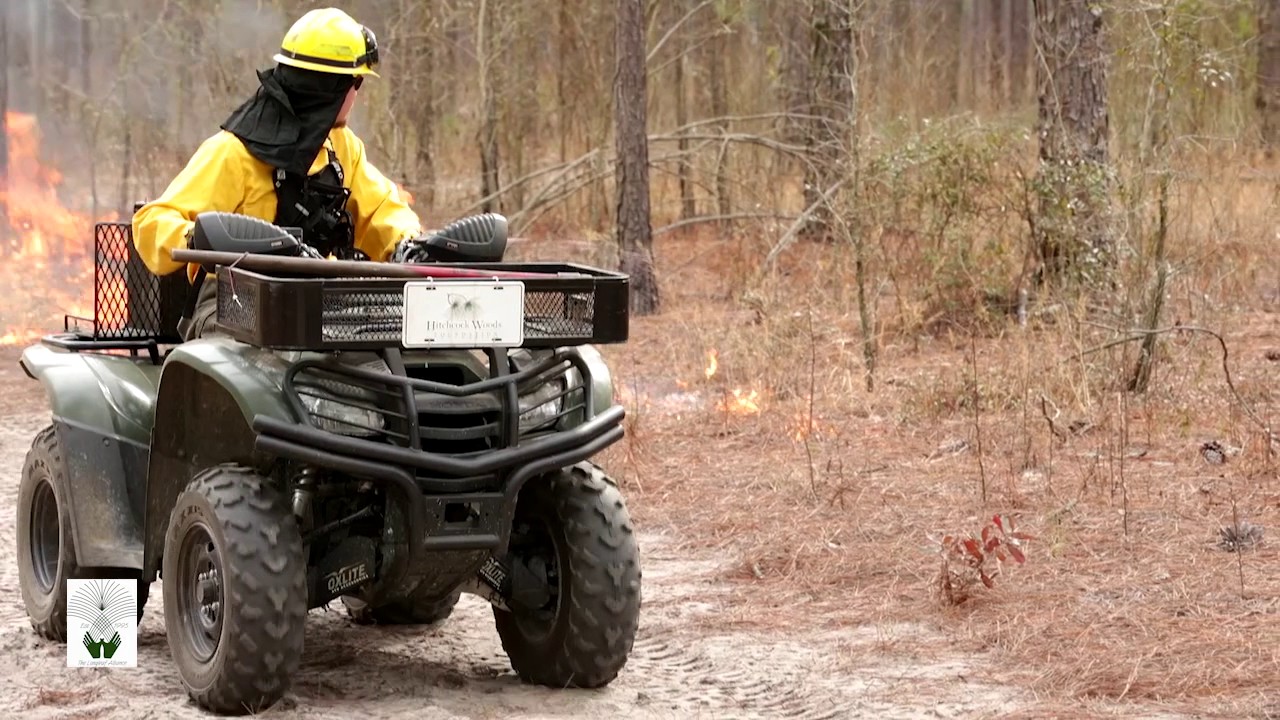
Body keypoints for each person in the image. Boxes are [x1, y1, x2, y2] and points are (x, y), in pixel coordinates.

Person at [132, 7, 427, 340]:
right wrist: (201, 236)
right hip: (231, 306)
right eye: (355, 82)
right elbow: (151, 222)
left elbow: (382, 210)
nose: (356, 94)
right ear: (331, 89)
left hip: (317, 303)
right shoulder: (233, 152)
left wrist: (408, 243)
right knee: (264, 372)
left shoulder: (341, 148)